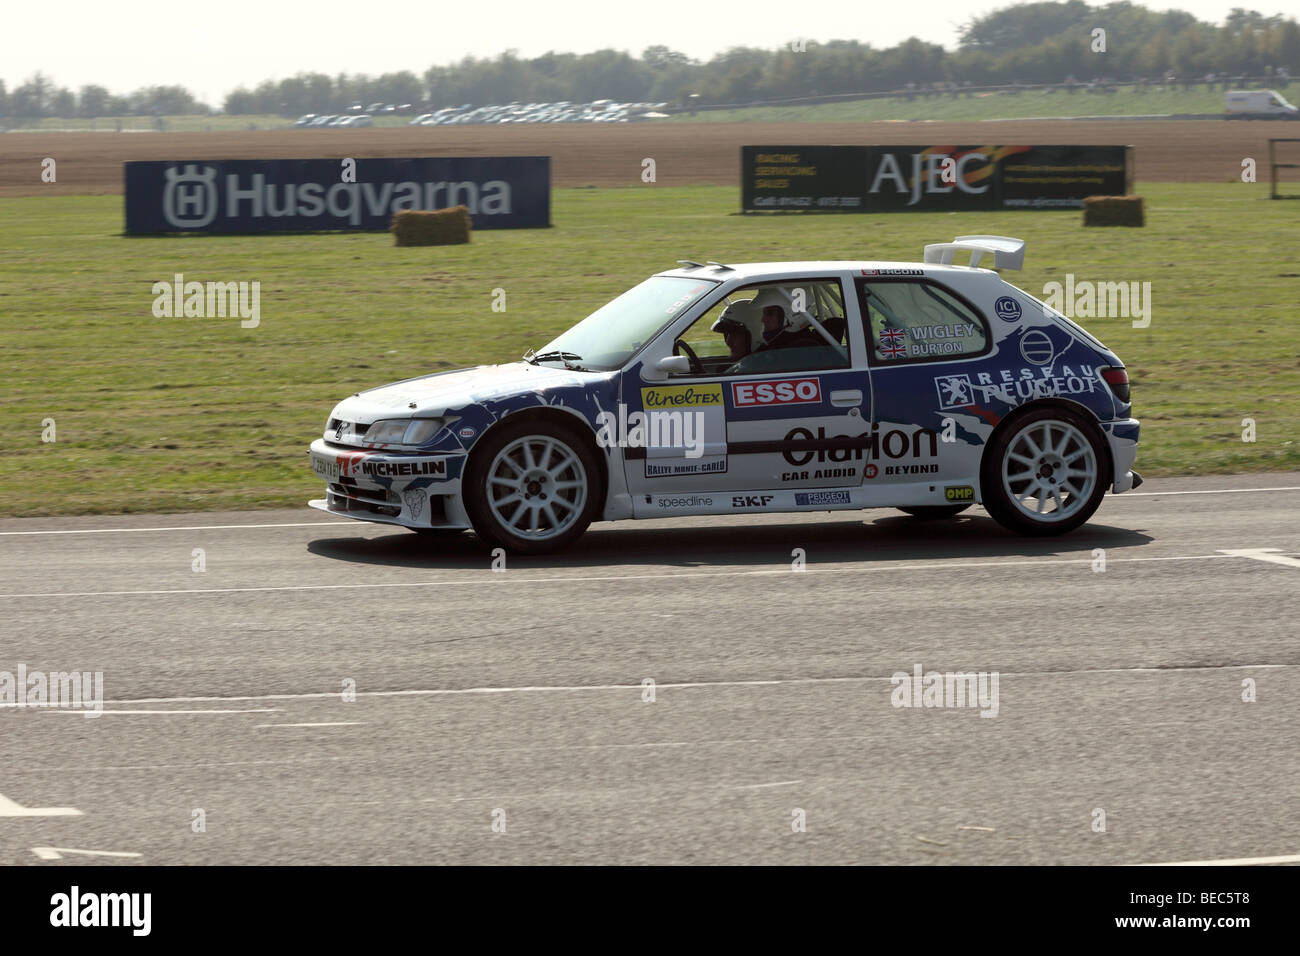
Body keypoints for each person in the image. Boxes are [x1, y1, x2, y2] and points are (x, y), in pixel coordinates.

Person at [750, 287, 823, 351]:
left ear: (794, 316)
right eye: (764, 313)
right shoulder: (774, 346)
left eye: (770, 313)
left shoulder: (805, 350)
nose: (763, 319)